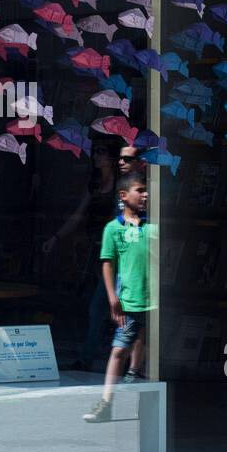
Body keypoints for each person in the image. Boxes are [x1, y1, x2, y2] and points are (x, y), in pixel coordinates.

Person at [84, 171, 156, 424]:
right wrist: (113, 297)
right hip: (131, 301)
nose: (145, 194)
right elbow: (108, 263)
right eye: (140, 190)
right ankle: (106, 402)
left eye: (147, 190)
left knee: (150, 355)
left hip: (156, 304)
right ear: (124, 196)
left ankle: (148, 407)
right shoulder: (113, 229)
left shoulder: (154, 226)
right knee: (118, 351)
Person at [42, 138, 119, 371]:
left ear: (112, 157)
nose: (97, 156)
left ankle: (96, 358)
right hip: (96, 250)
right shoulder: (94, 185)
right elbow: (78, 215)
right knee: (96, 305)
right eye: (95, 152)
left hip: (116, 253)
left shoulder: (120, 185)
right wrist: (56, 238)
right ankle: (98, 357)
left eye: (102, 152)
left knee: (101, 306)